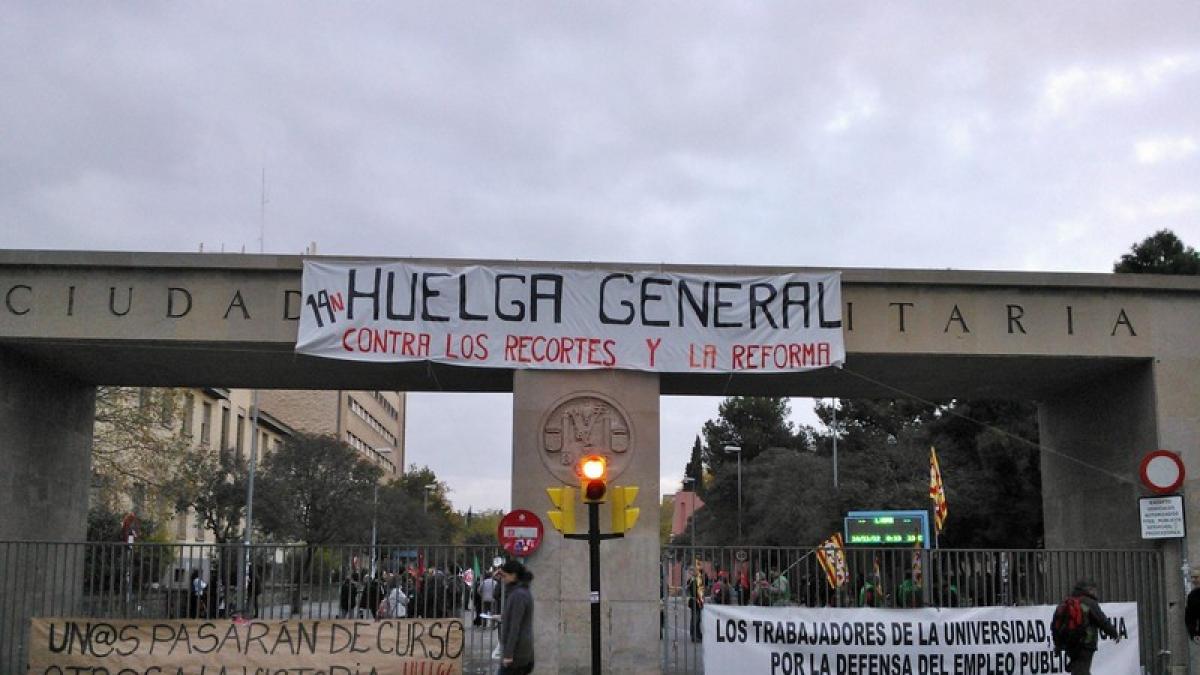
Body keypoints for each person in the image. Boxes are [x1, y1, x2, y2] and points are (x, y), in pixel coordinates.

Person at [1063, 579, 1121, 675]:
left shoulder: (1069, 601)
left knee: (1079, 670)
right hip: (1086, 643)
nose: (1095, 592)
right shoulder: (1089, 602)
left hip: (1071, 644)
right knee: (1082, 671)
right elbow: (1102, 620)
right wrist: (1114, 633)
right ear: (1089, 590)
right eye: (1094, 590)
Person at [497, 560, 534, 675]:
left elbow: (515, 627)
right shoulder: (520, 592)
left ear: (513, 575)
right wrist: (503, 617)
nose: (502, 579)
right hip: (521, 651)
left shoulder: (518, 595)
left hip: (517, 654)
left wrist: (508, 654)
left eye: (504, 575)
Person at [1186, 568, 1200, 642]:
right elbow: (1190, 617)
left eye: (1196, 577)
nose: (1194, 580)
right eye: (1192, 577)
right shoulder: (1192, 596)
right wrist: (1194, 634)